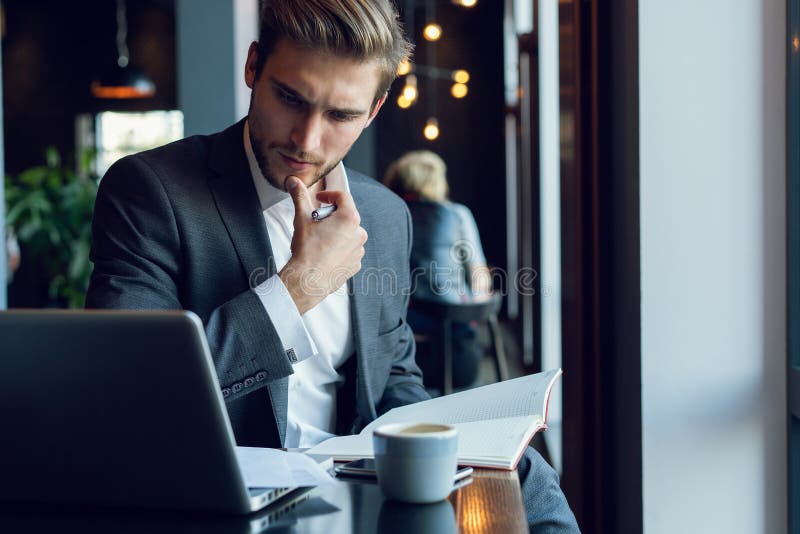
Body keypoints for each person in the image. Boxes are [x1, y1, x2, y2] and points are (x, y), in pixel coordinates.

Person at [86, 1, 578, 531]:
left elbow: (393, 379)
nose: (307, 140)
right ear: (253, 67)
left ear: (374, 110)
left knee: (531, 477)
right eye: (290, 98)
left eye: (340, 115)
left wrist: (455, 438)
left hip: (358, 485)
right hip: (221, 497)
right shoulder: (150, 191)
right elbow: (130, 395)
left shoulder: (387, 216)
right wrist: (300, 286)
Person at [383, 150, 491, 388]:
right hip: (456, 357)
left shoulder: (385, 217)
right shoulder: (457, 215)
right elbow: (480, 279)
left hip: (394, 360)